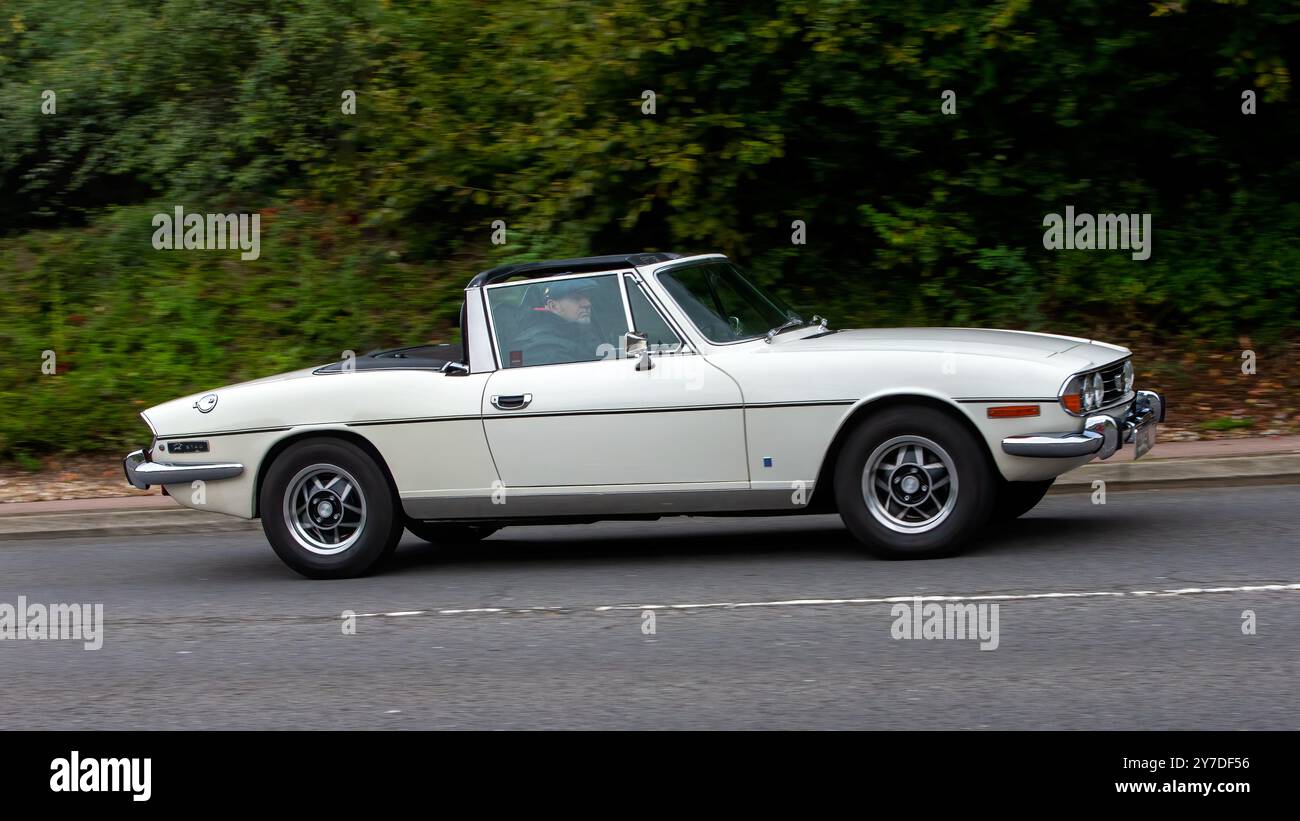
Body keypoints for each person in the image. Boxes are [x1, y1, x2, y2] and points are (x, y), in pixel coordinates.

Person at [508, 279, 607, 366]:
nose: (587, 304)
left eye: (588, 298)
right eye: (576, 298)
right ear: (553, 306)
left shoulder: (579, 332)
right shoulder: (543, 348)